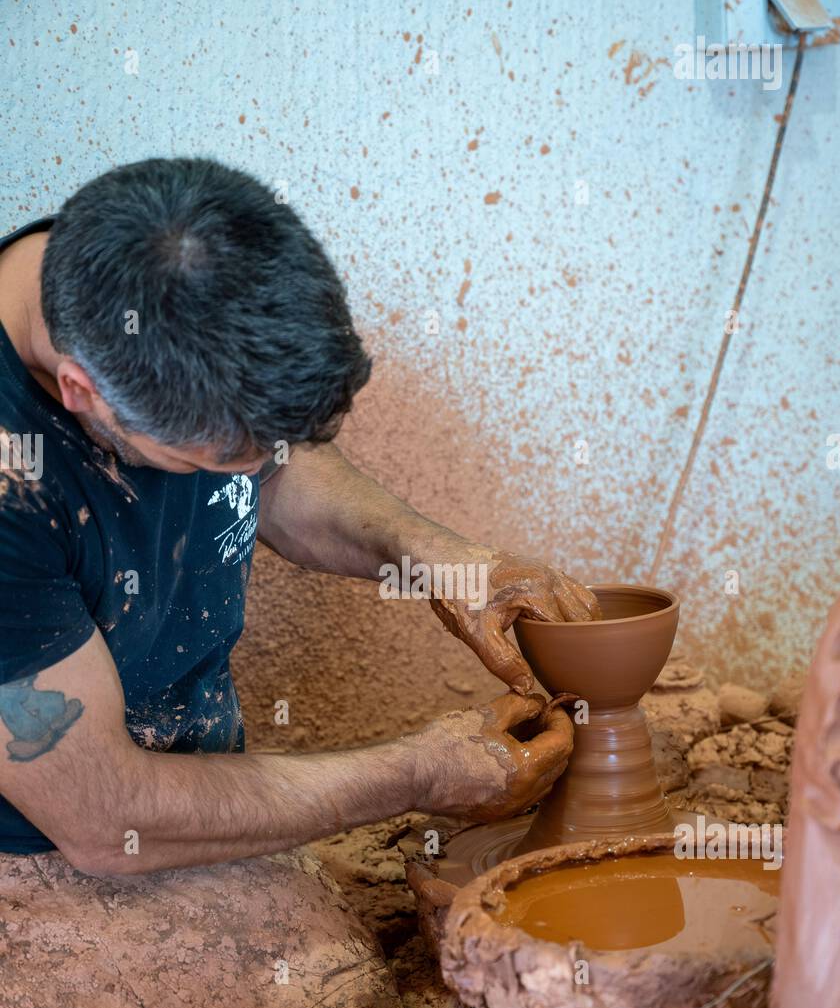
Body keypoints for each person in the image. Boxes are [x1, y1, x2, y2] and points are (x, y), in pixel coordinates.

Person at [0, 157, 597, 877]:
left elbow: (274, 462)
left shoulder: (140, 260)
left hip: (181, 793)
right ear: (80, 393)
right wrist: (420, 775)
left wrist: (441, 559)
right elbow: (105, 819)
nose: (258, 475)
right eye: (215, 464)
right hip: (50, 841)